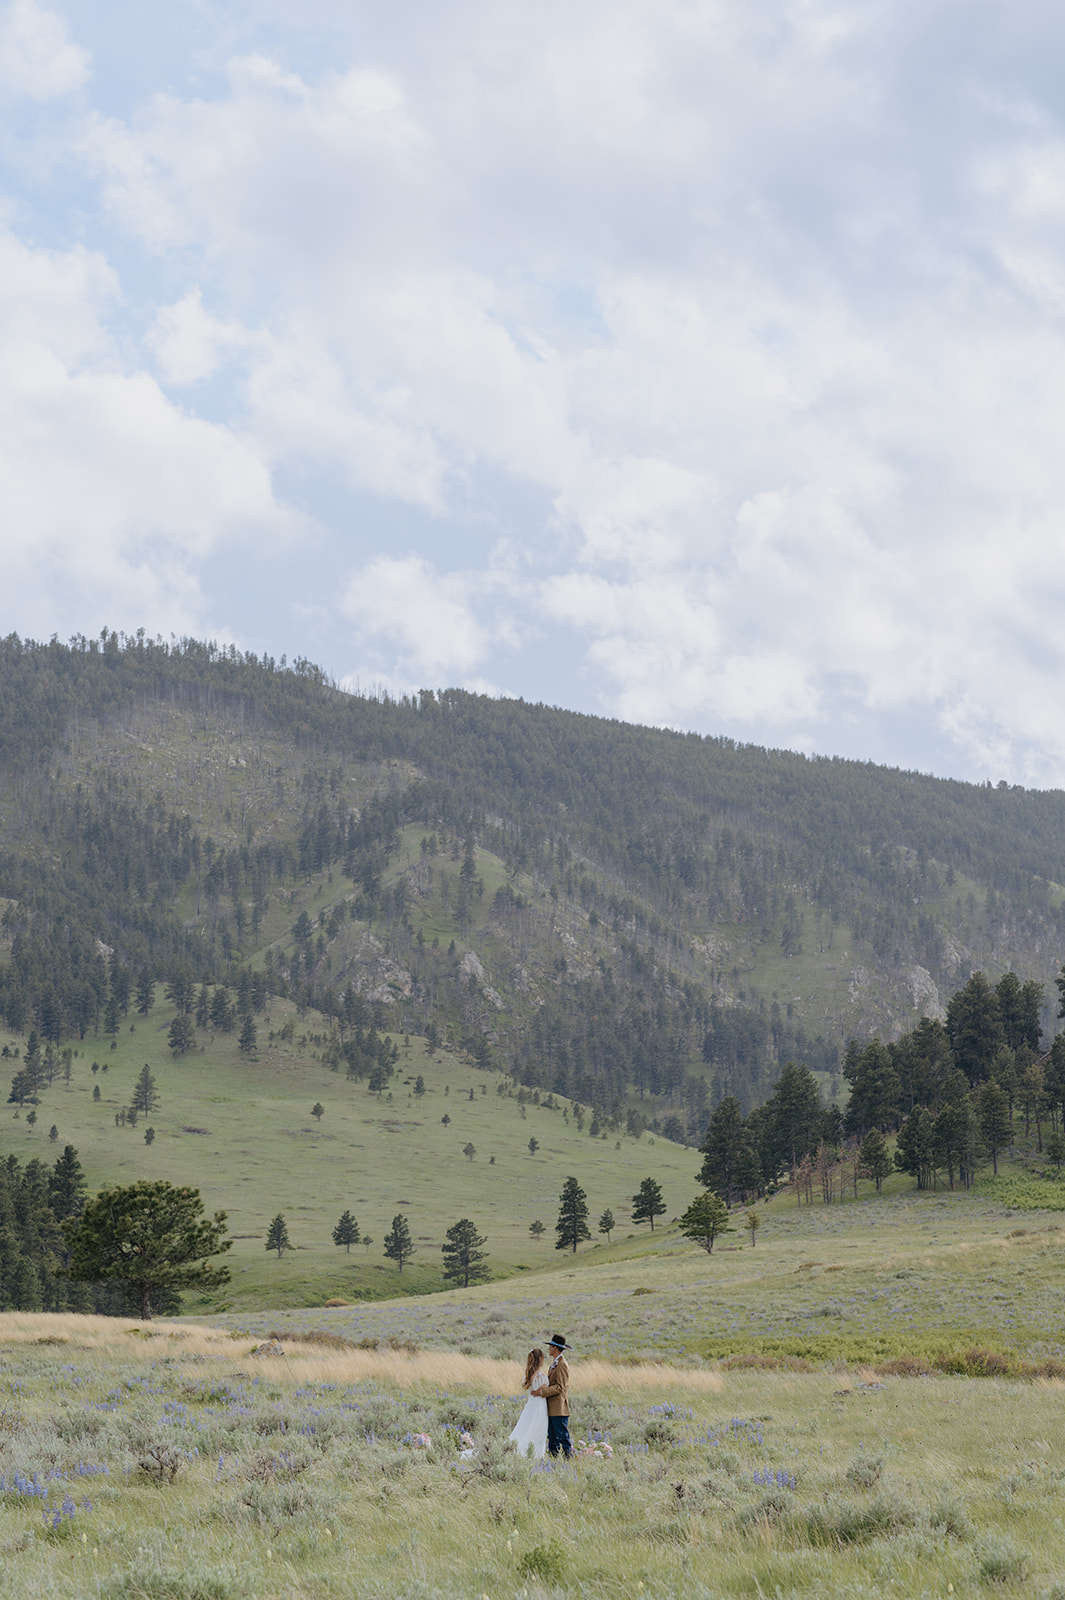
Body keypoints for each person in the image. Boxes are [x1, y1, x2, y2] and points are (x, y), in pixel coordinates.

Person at [508, 1347, 549, 1458]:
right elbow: (543, 1390)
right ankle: (537, 1453)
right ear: (540, 1359)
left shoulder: (528, 1375)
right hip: (540, 1406)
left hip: (531, 1405)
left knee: (527, 1426)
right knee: (539, 1428)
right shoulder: (540, 1376)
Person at [543, 1333, 573, 1458]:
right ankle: (554, 1459)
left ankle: (568, 1459)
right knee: (552, 1437)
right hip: (552, 1407)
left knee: (562, 1435)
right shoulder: (556, 1362)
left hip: (558, 1407)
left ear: (555, 1348)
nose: (549, 1348)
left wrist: (542, 1391)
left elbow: (560, 1387)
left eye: (550, 1346)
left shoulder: (561, 1364)